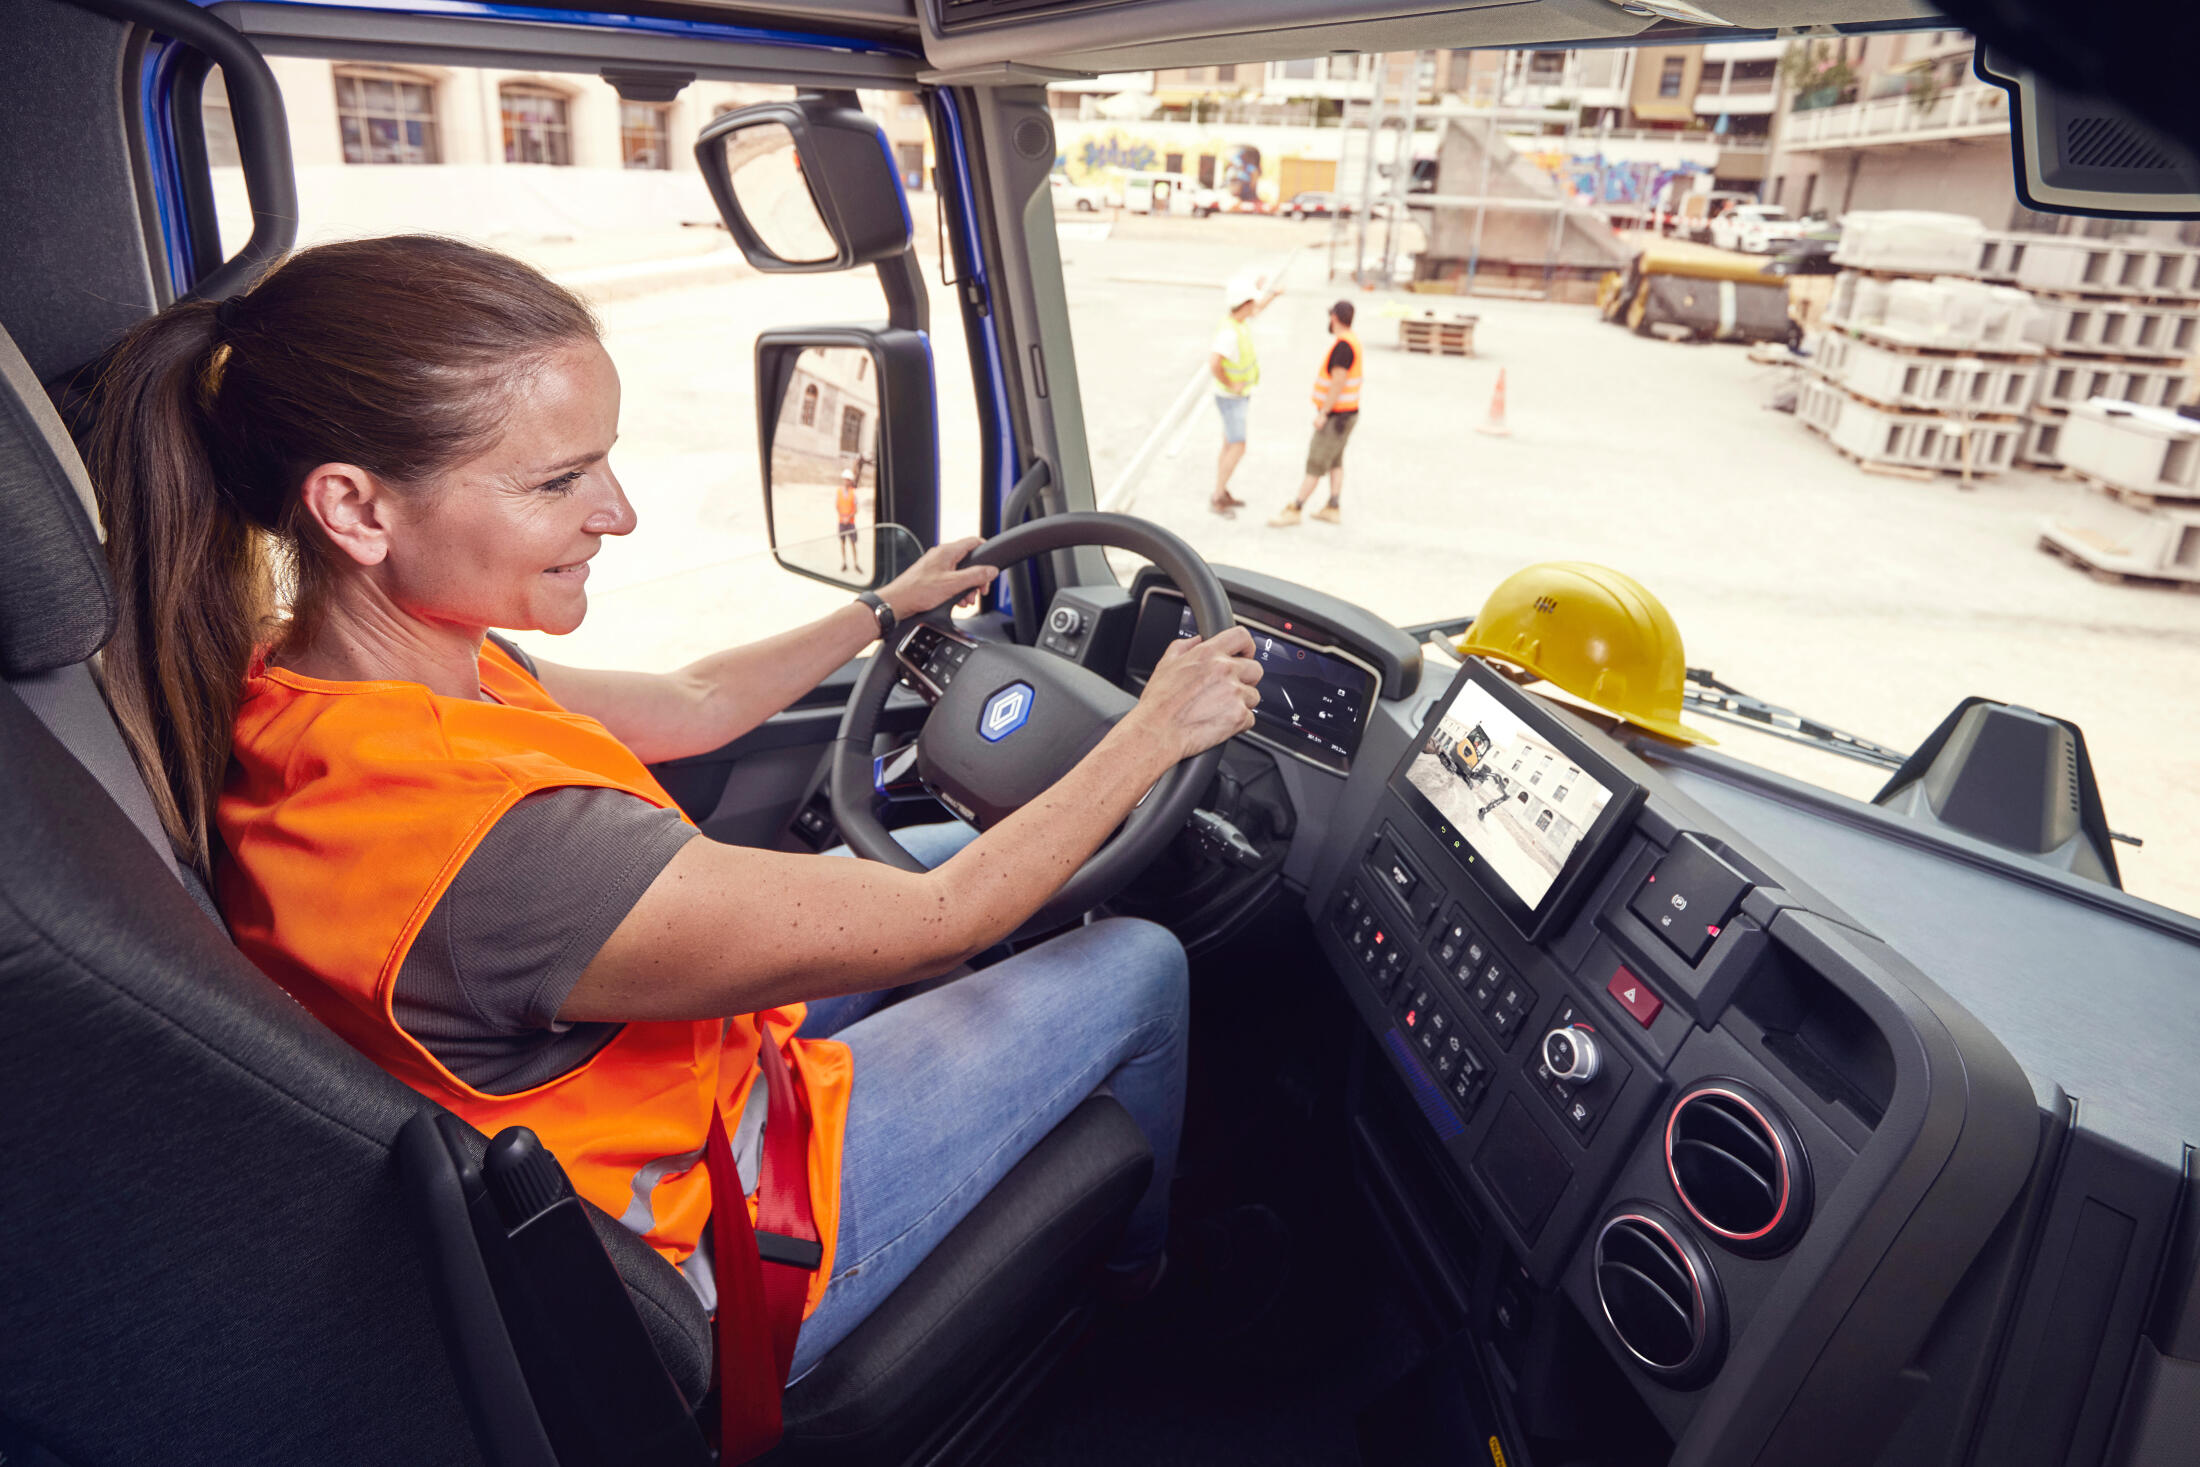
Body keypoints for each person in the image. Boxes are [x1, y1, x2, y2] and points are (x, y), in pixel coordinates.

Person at [83, 236, 1262, 1409]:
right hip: (713, 1249)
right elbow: (941, 922)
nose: (621, 513)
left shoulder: (341, 685)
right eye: (558, 482)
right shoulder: (495, 844)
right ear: (353, 506)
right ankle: (1136, 1292)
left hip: (662, 1104)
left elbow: (697, 705)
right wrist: (1153, 732)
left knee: (955, 843)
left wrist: (882, 610)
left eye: (603, 463)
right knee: (1137, 959)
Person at [1268, 299, 1364, 527]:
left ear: (1334, 318)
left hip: (1336, 417)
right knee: (1335, 461)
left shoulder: (1343, 346)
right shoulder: (1351, 341)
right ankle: (1333, 506)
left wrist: (1323, 413)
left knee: (1316, 462)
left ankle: (1295, 508)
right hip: (1347, 414)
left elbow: (1338, 382)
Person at [1207, 270, 1277, 518]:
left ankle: (1221, 489)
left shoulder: (1238, 322)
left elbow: (1258, 309)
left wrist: (1270, 294)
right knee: (1238, 445)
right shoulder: (1229, 333)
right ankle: (1218, 496)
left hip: (1235, 397)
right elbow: (1214, 362)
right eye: (1252, 301)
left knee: (1229, 444)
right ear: (1244, 304)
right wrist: (1230, 384)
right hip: (1231, 398)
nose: (1255, 306)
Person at [835, 464, 860, 572]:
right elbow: (837, 506)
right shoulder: (839, 491)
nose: (847, 481)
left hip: (850, 522)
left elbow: (856, 509)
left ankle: (855, 564)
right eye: (845, 479)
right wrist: (842, 517)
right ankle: (844, 563)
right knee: (843, 543)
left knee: (853, 543)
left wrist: (848, 517)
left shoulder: (853, 493)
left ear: (850, 481)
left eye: (848, 480)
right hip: (842, 522)